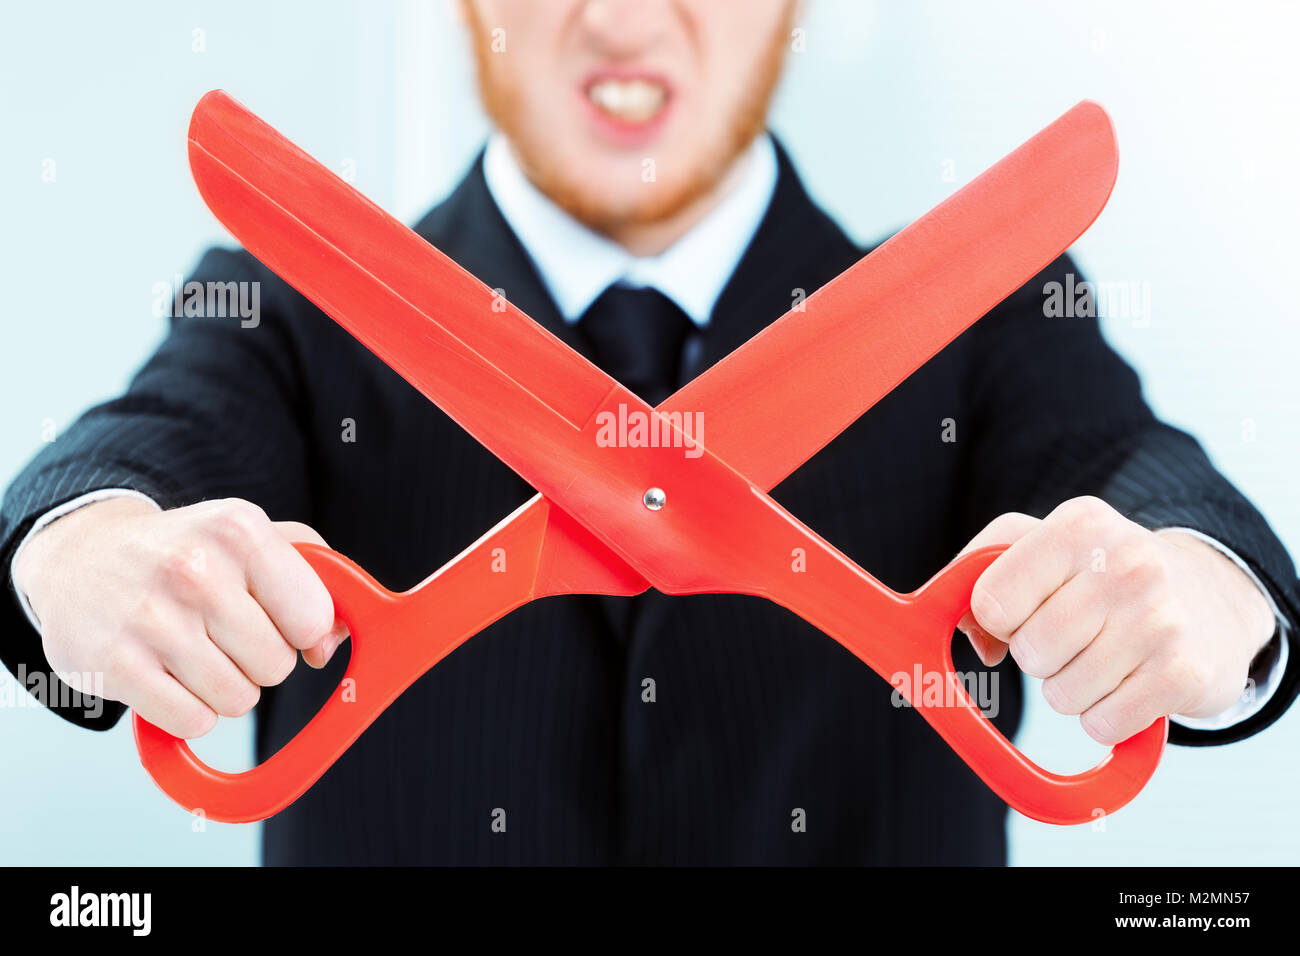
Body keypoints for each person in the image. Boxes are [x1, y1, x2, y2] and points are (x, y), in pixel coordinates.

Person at [3, 0, 1296, 865]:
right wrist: (82, 559)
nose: (620, 18)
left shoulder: (989, 316)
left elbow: (1147, 485)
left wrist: (1199, 594)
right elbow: (136, 458)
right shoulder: (290, 309)